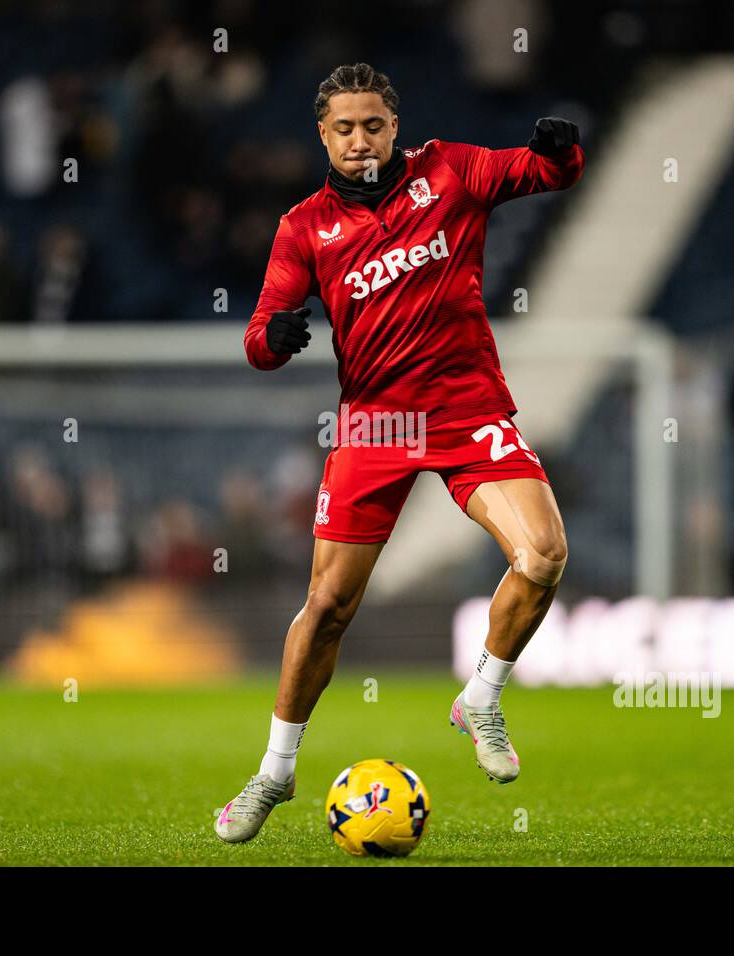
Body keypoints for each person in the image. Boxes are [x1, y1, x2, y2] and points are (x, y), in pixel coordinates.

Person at [216, 63, 584, 843]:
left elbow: (541, 171)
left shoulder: (450, 170)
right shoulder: (301, 227)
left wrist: (559, 150)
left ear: (395, 126)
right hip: (376, 426)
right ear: (323, 135)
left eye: (373, 125)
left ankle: (481, 695)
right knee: (327, 609)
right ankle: (274, 774)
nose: (359, 141)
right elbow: (259, 334)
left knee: (545, 555)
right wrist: (273, 341)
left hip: (466, 409)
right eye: (344, 128)